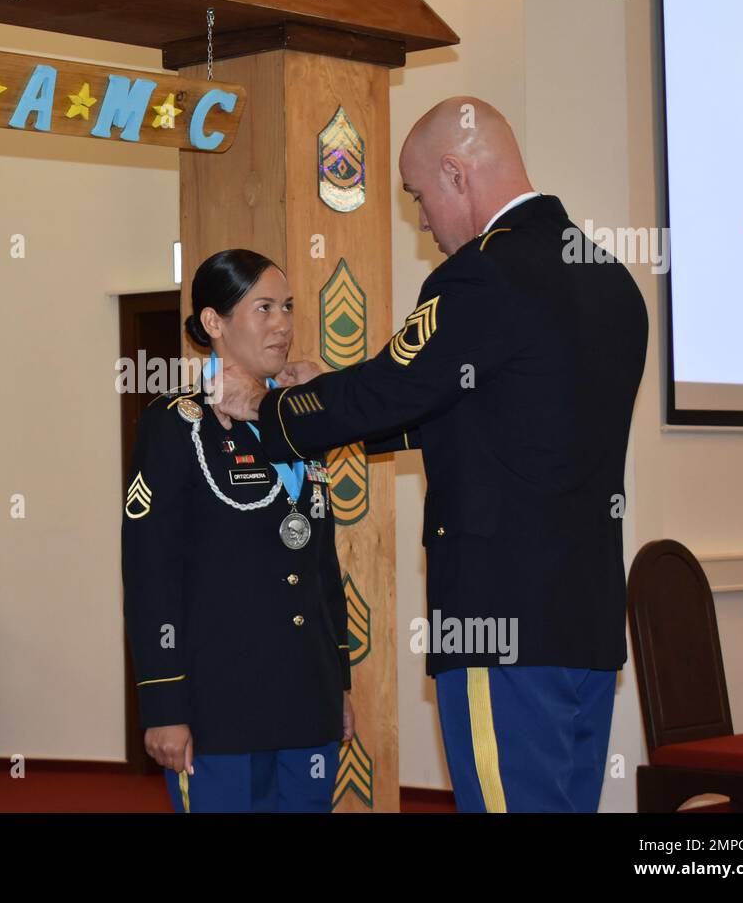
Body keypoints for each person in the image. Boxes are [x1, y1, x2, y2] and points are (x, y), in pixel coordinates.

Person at [214, 97, 648, 812]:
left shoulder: (485, 272)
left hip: (499, 620)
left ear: (456, 173)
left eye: (419, 196)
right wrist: (340, 391)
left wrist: (272, 411)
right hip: (586, 622)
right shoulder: (610, 280)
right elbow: (479, 414)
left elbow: (395, 388)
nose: (422, 220)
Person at [122, 249, 352, 813]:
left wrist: (338, 683)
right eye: (264, 308)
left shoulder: (300, 418)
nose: (284, 324)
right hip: (218, 706)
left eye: (289, 307)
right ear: (213, 323)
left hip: (306, 698)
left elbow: (323, 567)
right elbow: (152, 575)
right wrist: (163, 705)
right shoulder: (176, 425)